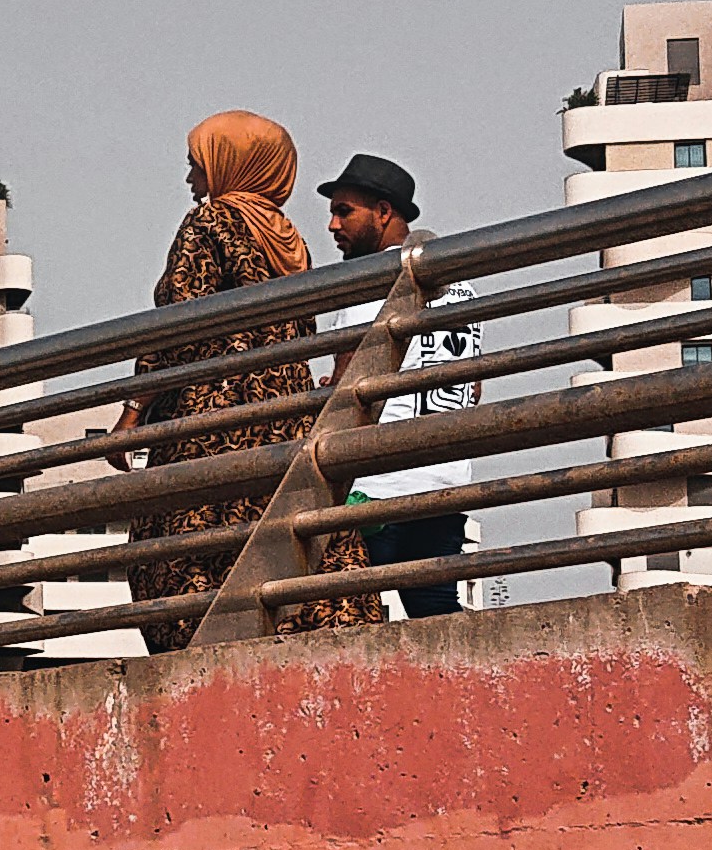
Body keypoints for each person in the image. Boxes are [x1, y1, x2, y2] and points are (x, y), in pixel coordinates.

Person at [130, 115, 374, 641]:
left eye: (199, 163)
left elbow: (178, 325)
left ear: (231, 164)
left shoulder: (209, 222)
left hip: (214, 413)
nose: (192, 176)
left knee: (184, 553)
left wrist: (133, 411)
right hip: (285, 411)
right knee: (291, 531)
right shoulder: (291, 239)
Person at [317, 153, 481, 617]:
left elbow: (348, 394)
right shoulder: (458, 283)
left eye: (344, 211)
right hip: (444, 486)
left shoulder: (371, 281)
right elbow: (474, 383)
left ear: (384, 212)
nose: (332, 225)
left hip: (376, 491)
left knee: (322, 606)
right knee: (436, 614)